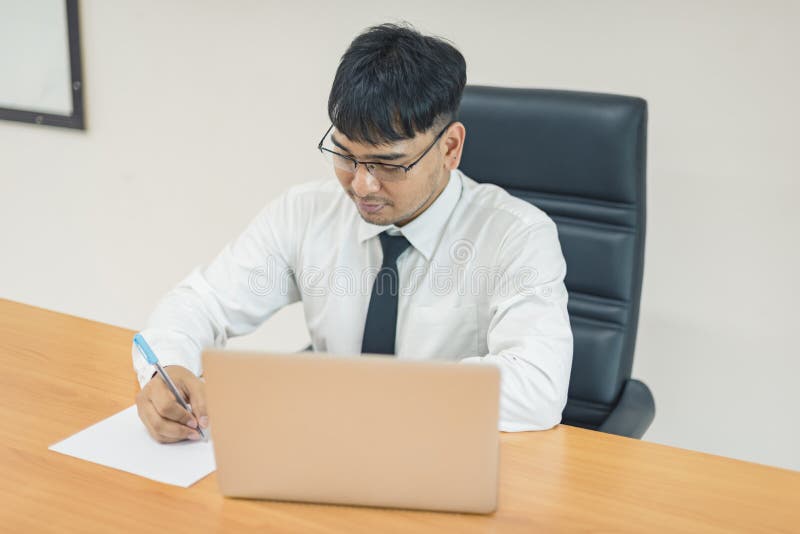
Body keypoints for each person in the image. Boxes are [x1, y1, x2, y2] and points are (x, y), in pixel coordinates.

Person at [133, 22, 573, 444]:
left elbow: (538, 386)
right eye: (345, 155)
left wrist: (373, 396)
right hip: (325, 447)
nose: (362, 185)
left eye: (388, 164)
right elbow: (202, 303)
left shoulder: (516, 236)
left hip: (446, 451)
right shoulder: (305, 212)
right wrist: (167, 370)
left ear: (450, 148)